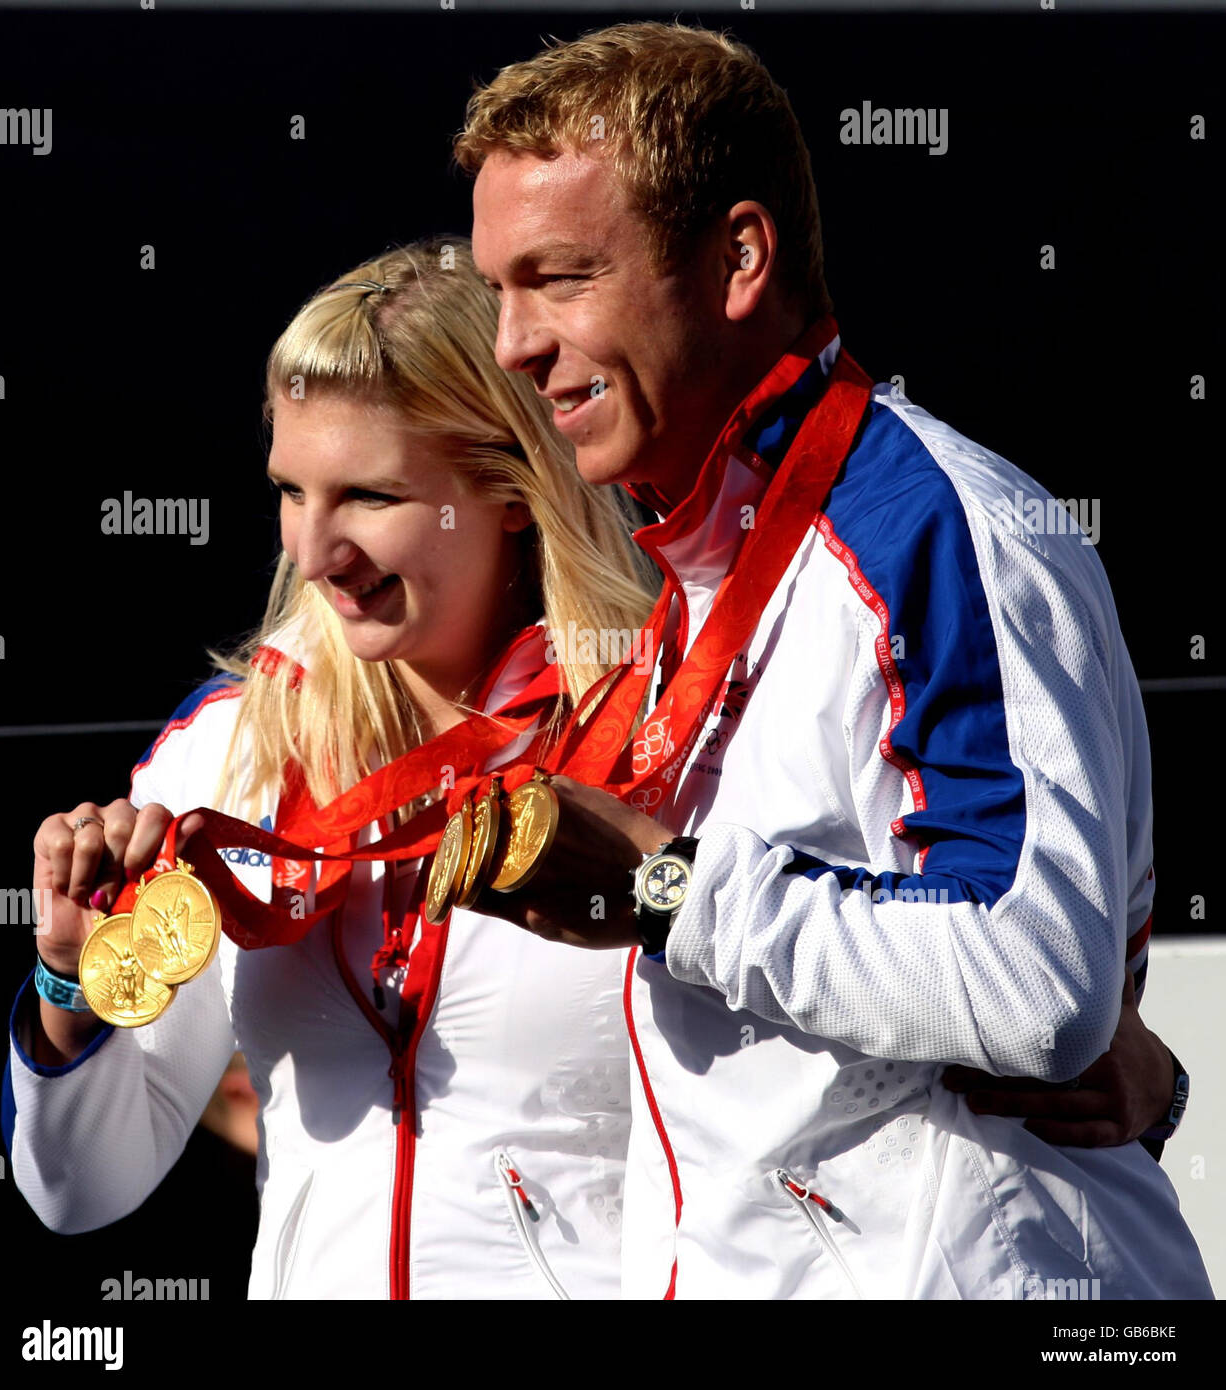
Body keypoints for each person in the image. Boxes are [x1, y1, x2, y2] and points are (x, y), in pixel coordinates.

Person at [457, 21, 1212, 1298]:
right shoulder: (695, 582)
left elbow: (1036, 979)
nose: (516, 343)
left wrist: (665, 888)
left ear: (739, 258)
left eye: (562, 278)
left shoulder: (941, 528)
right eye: (499, 291)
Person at [5, 236, 657, 1299]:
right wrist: (70, 983)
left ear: (511, 487)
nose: (314, 551)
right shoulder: (230, 750)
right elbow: (76, 1188)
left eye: (369, 494)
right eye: (291, 490)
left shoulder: (662, 730)